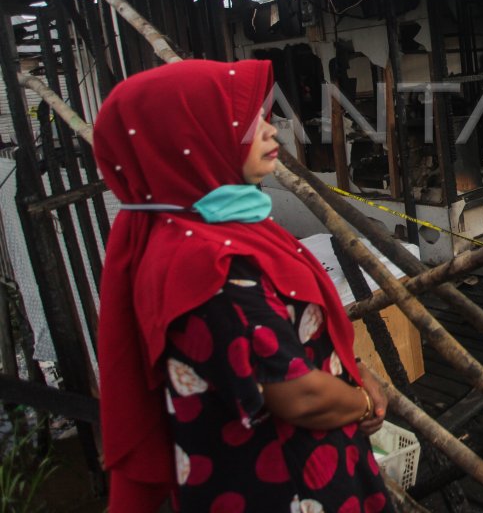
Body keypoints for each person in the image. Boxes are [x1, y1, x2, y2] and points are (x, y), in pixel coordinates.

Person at [94, 60, 394, 513]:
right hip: (281, 483)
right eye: (250, 124)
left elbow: (300, 332)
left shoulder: (224, 227)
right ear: (193, 139)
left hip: (308, 461)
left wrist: (356, 369)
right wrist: (361, 401)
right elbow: (298, 394)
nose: (271, 134)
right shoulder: (205, 265)